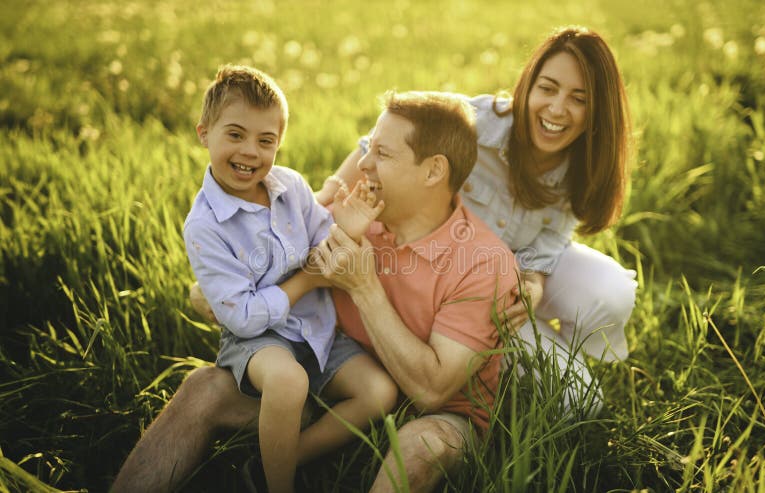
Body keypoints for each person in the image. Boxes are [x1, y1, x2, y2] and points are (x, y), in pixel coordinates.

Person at [112, 90, 517, 492]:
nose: (363, 164)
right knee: (205, 389)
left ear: (433, 172)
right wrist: (207, 296)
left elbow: (431, 392)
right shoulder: (351, 218)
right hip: (334, 379)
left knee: (420, 446)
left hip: (440, 415)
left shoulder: (483, 263)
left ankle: (282, 461)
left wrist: (364, 288)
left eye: (383, 154)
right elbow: (249, 273)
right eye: (368, 148)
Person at [316, 26, 638, 407]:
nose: (556, 109)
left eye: (578, 98)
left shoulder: (584, 163)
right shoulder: (476, 121)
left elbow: (553, 236)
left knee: (610, 294)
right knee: (577, 402)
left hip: (507, 277)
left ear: (596, 111)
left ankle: (564, 354)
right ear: (528, 86)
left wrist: (533, 281)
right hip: (456, 276)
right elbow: (379, 144)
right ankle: (530, 360)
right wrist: (328, 191)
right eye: (547, 88)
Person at [146, 64, 397, 493]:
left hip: (316, 330)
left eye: (266, 141)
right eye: (236, 135)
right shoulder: (205, 226)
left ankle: (281, 456)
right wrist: (307, 282)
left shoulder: (291, 187)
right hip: (257, 341)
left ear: (280, 143)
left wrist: (348, 227)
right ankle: (278, 485)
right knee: (287, 380)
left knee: (378, 392)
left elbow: (323, 243)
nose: (250, 152)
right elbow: (241, 318)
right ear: (204, 133)